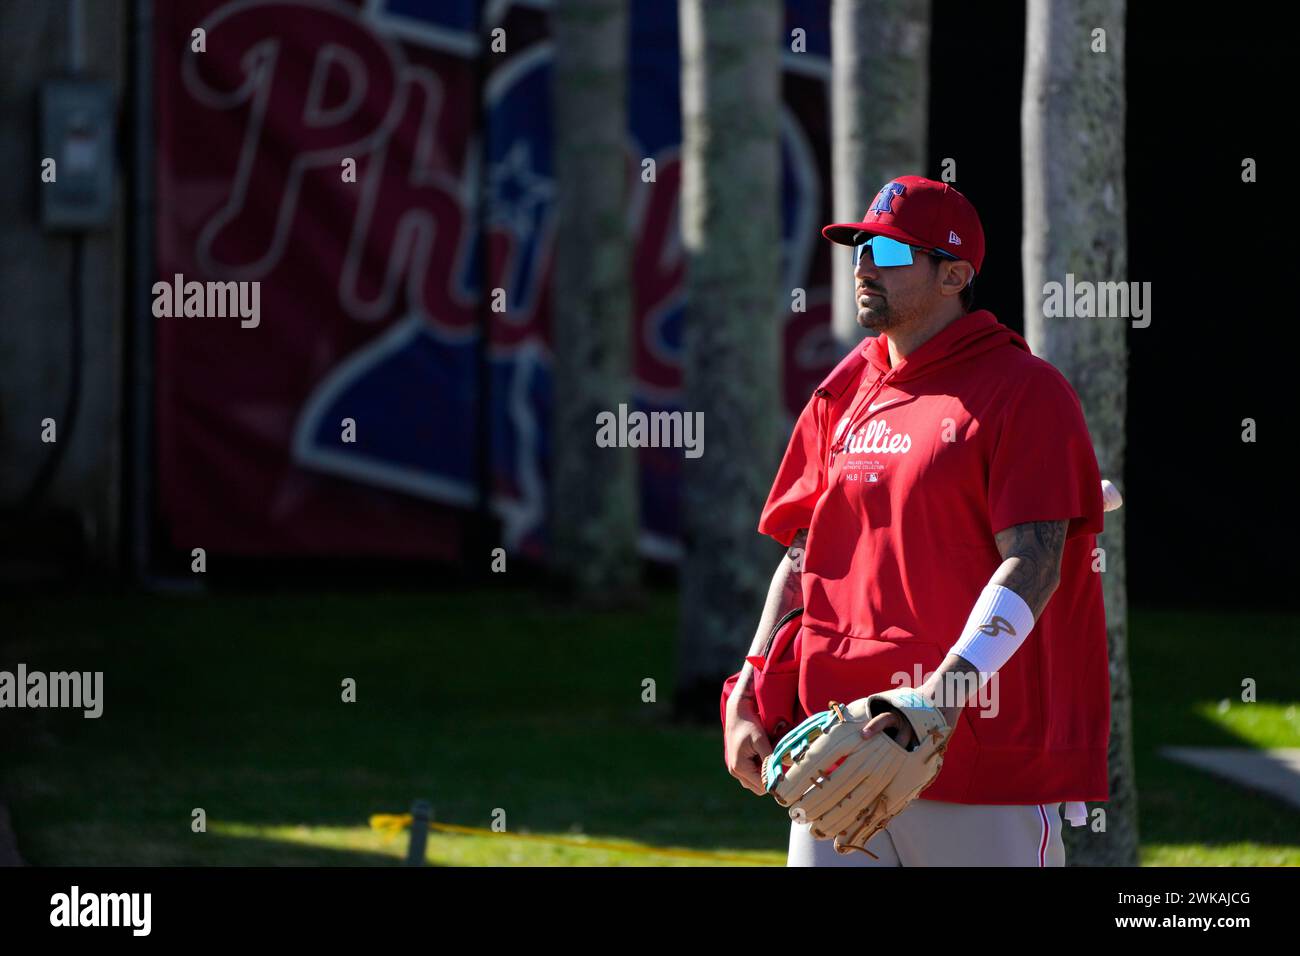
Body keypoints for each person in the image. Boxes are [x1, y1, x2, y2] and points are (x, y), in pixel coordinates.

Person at [722, 176, 1110, 866]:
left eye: (894, 253)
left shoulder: (1025, 391)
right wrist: (748, 690)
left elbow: (1034, 562)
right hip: (836, 746)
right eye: (861, 248)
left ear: (954, 276)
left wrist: (940, 698)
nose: (866, 266)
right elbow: (803, 553)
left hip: (979, 757)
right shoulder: (844, 388)